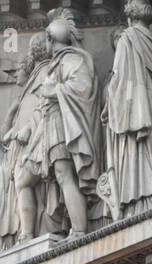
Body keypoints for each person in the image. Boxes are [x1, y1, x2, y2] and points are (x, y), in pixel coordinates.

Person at [14, 10, 102, 240]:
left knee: (64, 174)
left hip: (59, 126)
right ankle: (26, 236)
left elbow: (81, 88)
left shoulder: (73, 59)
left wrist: (52, 91)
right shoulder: (56, 64)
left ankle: (80, 230)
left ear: (51, 39)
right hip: (45, 128)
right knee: (23, 179)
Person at [102, 1, 152, 219]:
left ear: (129, 18)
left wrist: (108, 105)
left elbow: (120, 77)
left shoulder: (128, 37)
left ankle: (136, 199)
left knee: (139, 150)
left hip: (137, 102)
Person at [0, 34, 54, 249]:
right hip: (14, 155)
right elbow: (4, 135)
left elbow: (43, 110)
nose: (15, 76)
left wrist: (27, 130)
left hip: (32, 148)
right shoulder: (21, 98)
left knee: (20, 184)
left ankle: (26, 234)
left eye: (17, 71)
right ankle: (8, 242)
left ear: (28, 67)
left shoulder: (42, 78)